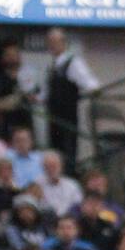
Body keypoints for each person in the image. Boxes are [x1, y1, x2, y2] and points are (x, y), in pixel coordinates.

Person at [44, 29, 100, 170]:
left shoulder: (73, 62)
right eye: (50, 42)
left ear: (63, 43)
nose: (52, 45)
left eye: (55, 42)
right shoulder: (52, 65)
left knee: (67, 152)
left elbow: (90, 83)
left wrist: (94, 90)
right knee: (55, 150)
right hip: (53, 117)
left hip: (67, 116)